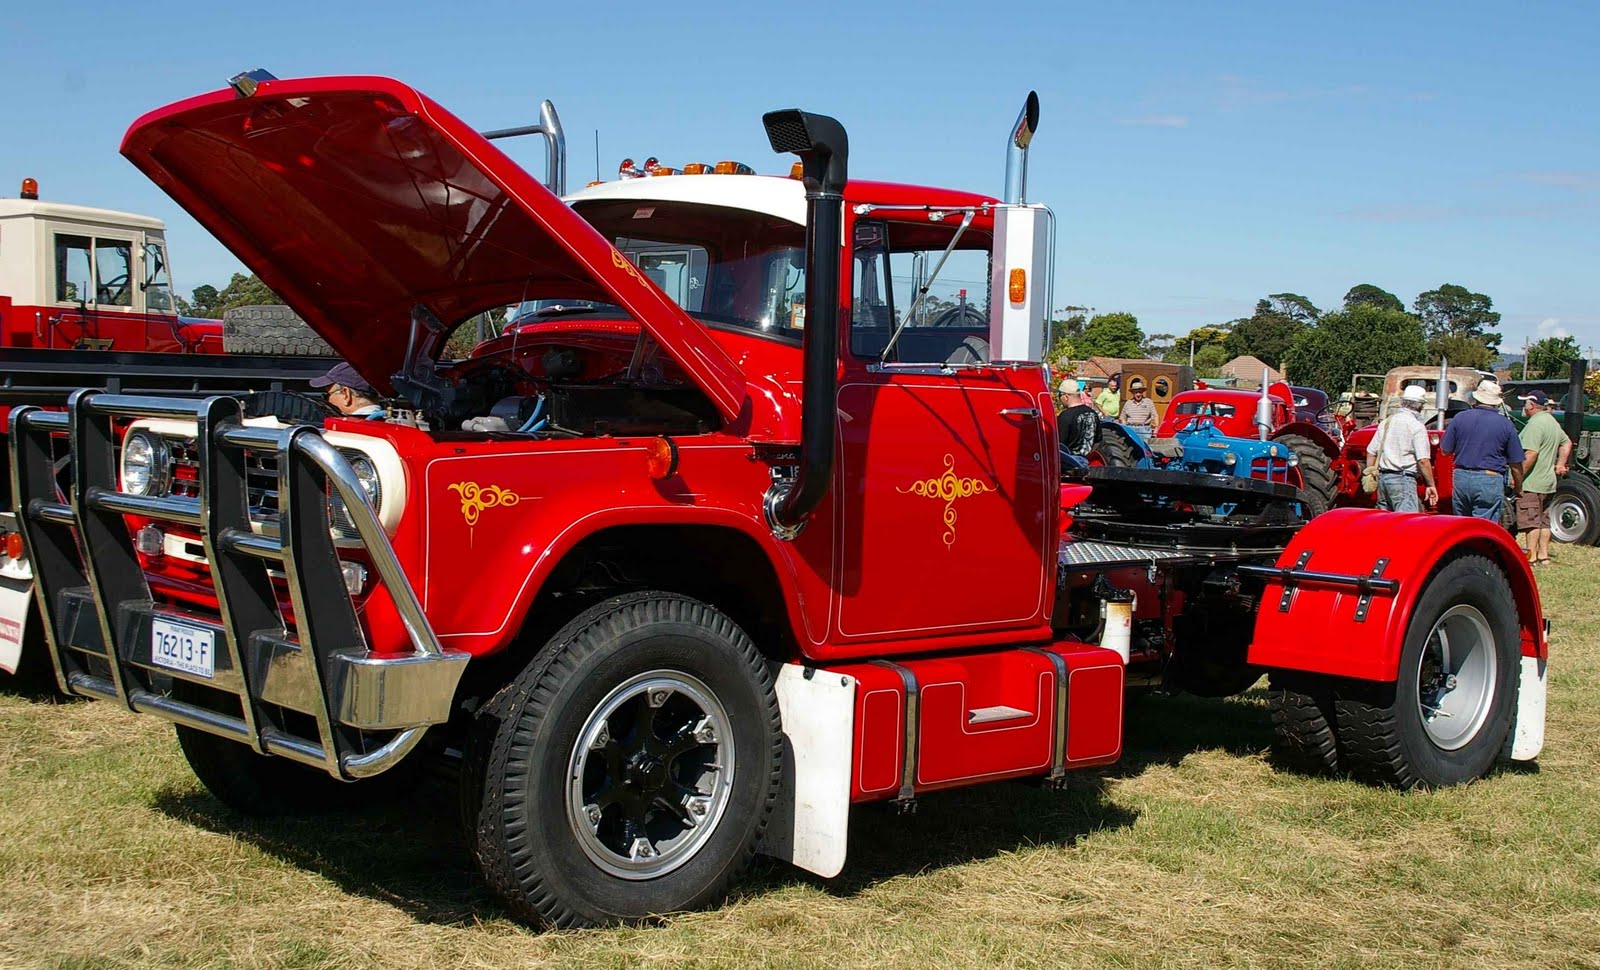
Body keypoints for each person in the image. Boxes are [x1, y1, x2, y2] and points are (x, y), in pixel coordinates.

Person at [1440, 379, 1522, 521]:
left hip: (1461, 477)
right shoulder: (1506, 424)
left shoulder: (1459, 418)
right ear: (1496, 402)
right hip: (1489, 478)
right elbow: (1515, 463)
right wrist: (1518, 487)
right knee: (1484, 526)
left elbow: (1445, 451)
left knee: (1461, 525)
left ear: (1476, 398)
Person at [1515, 390, 1573, 566]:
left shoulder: (1534, 424)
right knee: (1544, 521)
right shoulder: (1552, 422)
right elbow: (1567, 442)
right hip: (1548, 482)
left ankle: (1531, 558)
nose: (1523, 407)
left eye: (1525, 403)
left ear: (1531, 405)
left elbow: (1531, 454)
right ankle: (1544, 556)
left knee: (1531, 522)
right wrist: (1560, 464)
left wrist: (1518, 476)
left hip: (1532, 482)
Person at [1363, 384, 1438, 512]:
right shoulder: (1417, 427)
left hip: (1383, 479)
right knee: (1406, 523)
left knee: (1385, 522)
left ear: (1403, 402)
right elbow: (1423, 460)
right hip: (1403, 479)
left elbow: (1371, 452)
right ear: (1420, 406)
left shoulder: (1386, 422)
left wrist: (1371, 474)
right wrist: (1431, 485)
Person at [310, 361, 385, 419]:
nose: (328, 401)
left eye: (328, 395)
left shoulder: (341, 431)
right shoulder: (391, 422)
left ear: (346, 394)